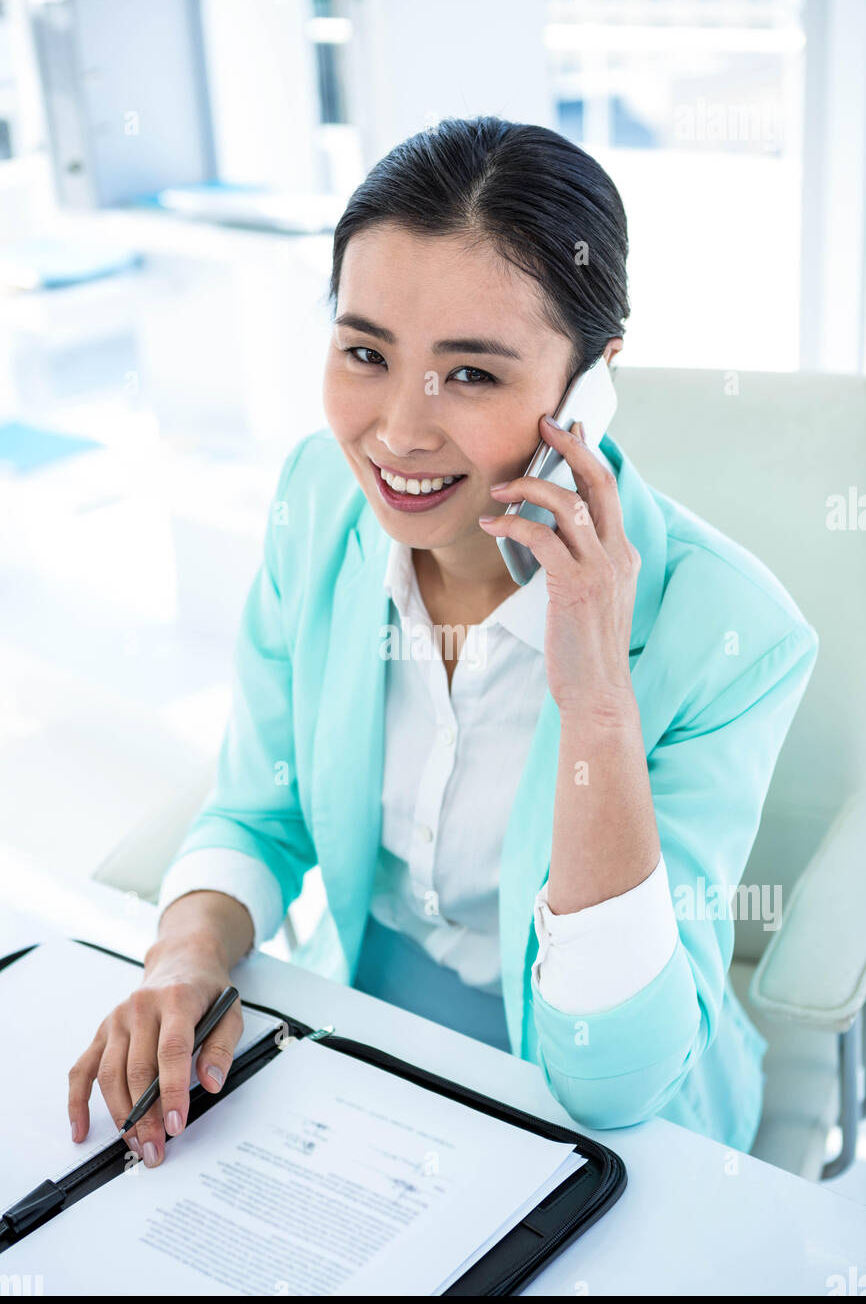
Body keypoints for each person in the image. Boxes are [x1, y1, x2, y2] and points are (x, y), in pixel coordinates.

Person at [68, 116, 818, 1171]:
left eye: (470, 374)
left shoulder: (728, 637)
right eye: (365, 352)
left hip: (612, 1127)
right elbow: (261, 804)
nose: (399, 431)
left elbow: (613, 1080)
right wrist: (184, 956)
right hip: (362, 1044)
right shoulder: (317, 504)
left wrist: (595, 695)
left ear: (588, 387)